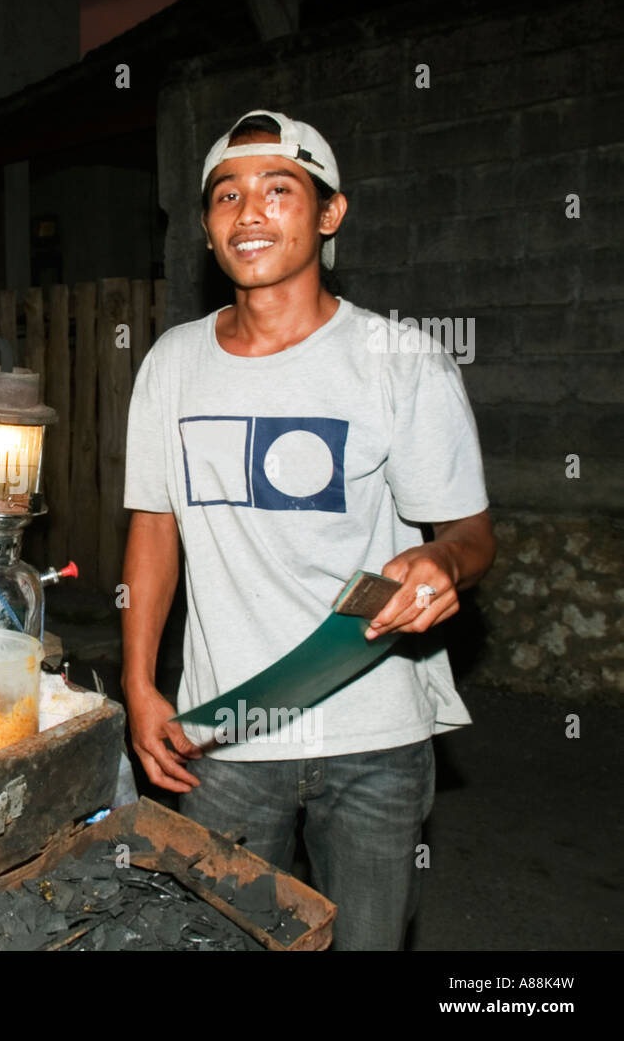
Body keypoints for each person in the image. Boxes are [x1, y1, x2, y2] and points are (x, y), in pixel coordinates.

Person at [120, 109, 496, 950]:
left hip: (374, 729)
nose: (248, 212)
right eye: (226, 195)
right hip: (228, 734)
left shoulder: (401, 360)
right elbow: (153, 531)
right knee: (220, 937)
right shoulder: (171, 364)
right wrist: (141, 686)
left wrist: (440, 560)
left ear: (330, 215)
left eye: (277, 190)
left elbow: (472, 532)